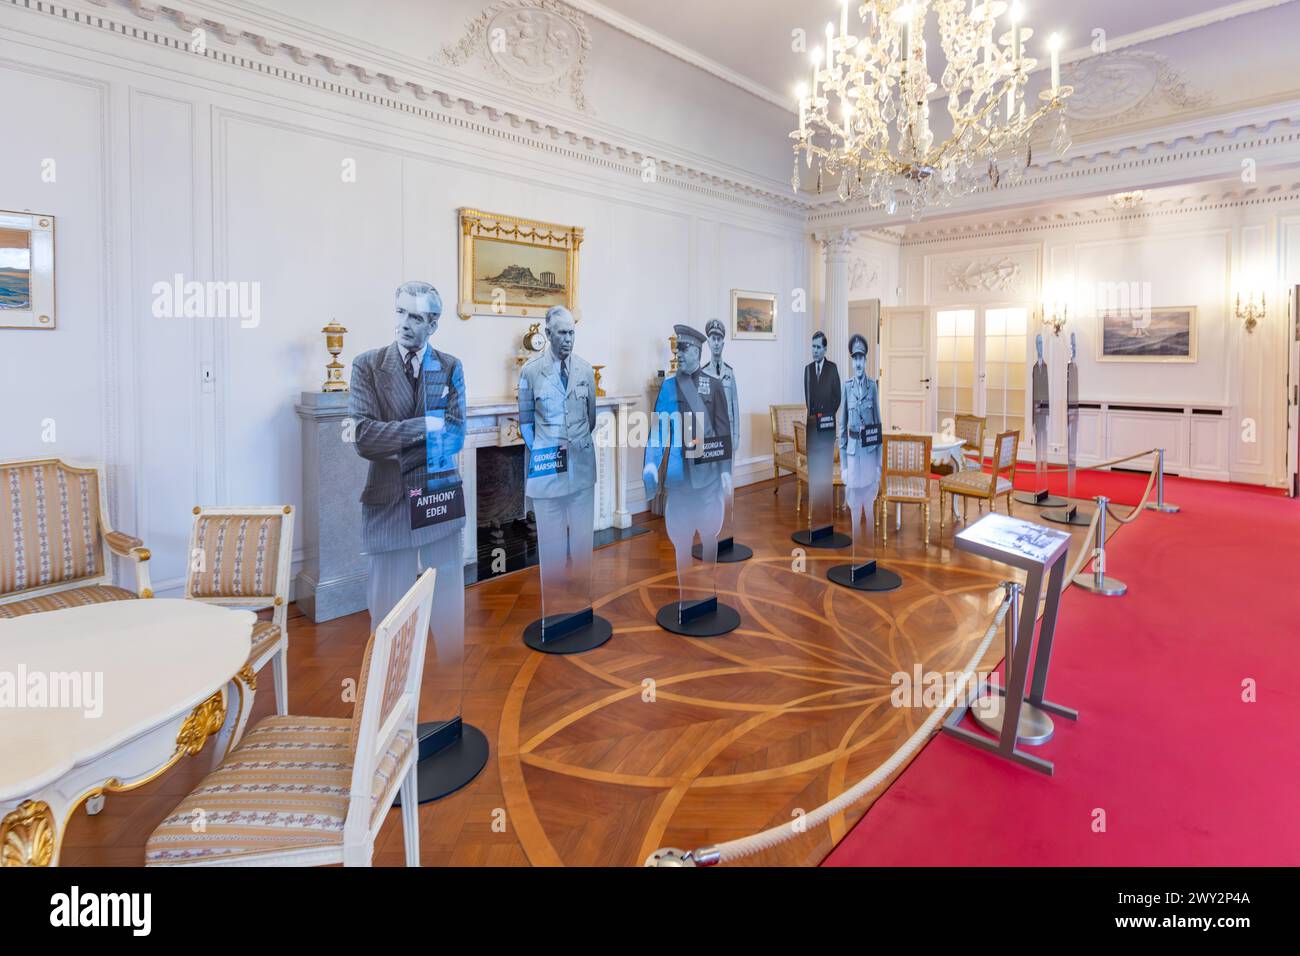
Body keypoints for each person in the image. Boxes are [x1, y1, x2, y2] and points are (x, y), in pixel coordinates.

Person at [349, 280, 466, 674]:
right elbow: (364, 438)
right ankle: (386, 691)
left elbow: (456, 435)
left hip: (440, 501)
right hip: (389, 501)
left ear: (433, 324)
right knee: (387, 612)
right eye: (400, 312)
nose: (404, 323)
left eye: (415, 317)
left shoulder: (450, 367)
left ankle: (451, 680)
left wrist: (396, 439)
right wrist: (424, 425)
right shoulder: (367, 366)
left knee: (448, 606)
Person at [517, 306, 598, 625]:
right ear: (548, 334)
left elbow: (590, 418)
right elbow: (525, 422)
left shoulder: (585, 370)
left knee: (581, 540)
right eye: (562, 333)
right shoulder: (530, 372)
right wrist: (544, 450)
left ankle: (581, 601)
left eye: (572, 332)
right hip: (548, 470)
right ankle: (552, 607)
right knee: (550, 543)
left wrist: (573, 442)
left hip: (581, 468)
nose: (568, 339)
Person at [644, 324, 733, 591]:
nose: (678, 355)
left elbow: (722, 430)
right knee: (681, 540)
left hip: (707, 478)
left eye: (683, 349)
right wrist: (651, 462)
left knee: (709, 534)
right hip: (679, 478)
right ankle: (685, 589)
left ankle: (710, 586)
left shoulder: (715, 386)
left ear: (696, 350)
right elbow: (658, 431)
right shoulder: (669, 387)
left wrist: (726, 470)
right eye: (676, 350)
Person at [839, 333, 882, 549]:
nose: (857, 362)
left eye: (861, 358)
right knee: (855, 503)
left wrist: (878, 466)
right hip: (853, 455)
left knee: (869, 504)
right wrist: (844, 467)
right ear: (852, 360)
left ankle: (870, 546)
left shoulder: (872, 387)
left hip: (869, 453)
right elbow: (842, 429)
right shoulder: (846, 387)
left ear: (866, 360)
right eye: (854, 358)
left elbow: (879, 426)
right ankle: (857, 544)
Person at [803, 330, 841, 529]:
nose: (815, 350)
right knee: (814, 465)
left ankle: (826, 504)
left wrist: (826, 417)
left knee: (825, 465)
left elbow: (837, 397)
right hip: (812, 426)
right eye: (813, 346)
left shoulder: (832, 368)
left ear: (825, 349)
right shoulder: (808, 370)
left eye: (818, 347)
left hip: (826, 426)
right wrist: (814, 418)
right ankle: (814, 502)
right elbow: (808, 398)